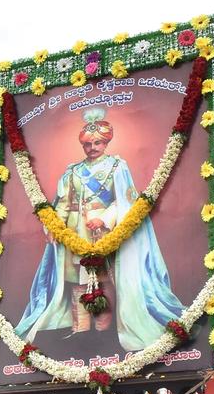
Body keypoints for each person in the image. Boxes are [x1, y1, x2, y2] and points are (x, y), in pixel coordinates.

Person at [16, 107, 185, 348]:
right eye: (88, 144)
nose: (92, 147)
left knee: (105, 280)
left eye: (97, 142)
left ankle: (105, 330)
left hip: (108, 232)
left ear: (106, 143)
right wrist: (54, 226)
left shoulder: (117, 167)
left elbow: (125, 201)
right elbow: (63, 202)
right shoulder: (72, 171)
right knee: (78, 280)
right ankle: (81, 329)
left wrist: (104, 219)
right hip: (76, 233)